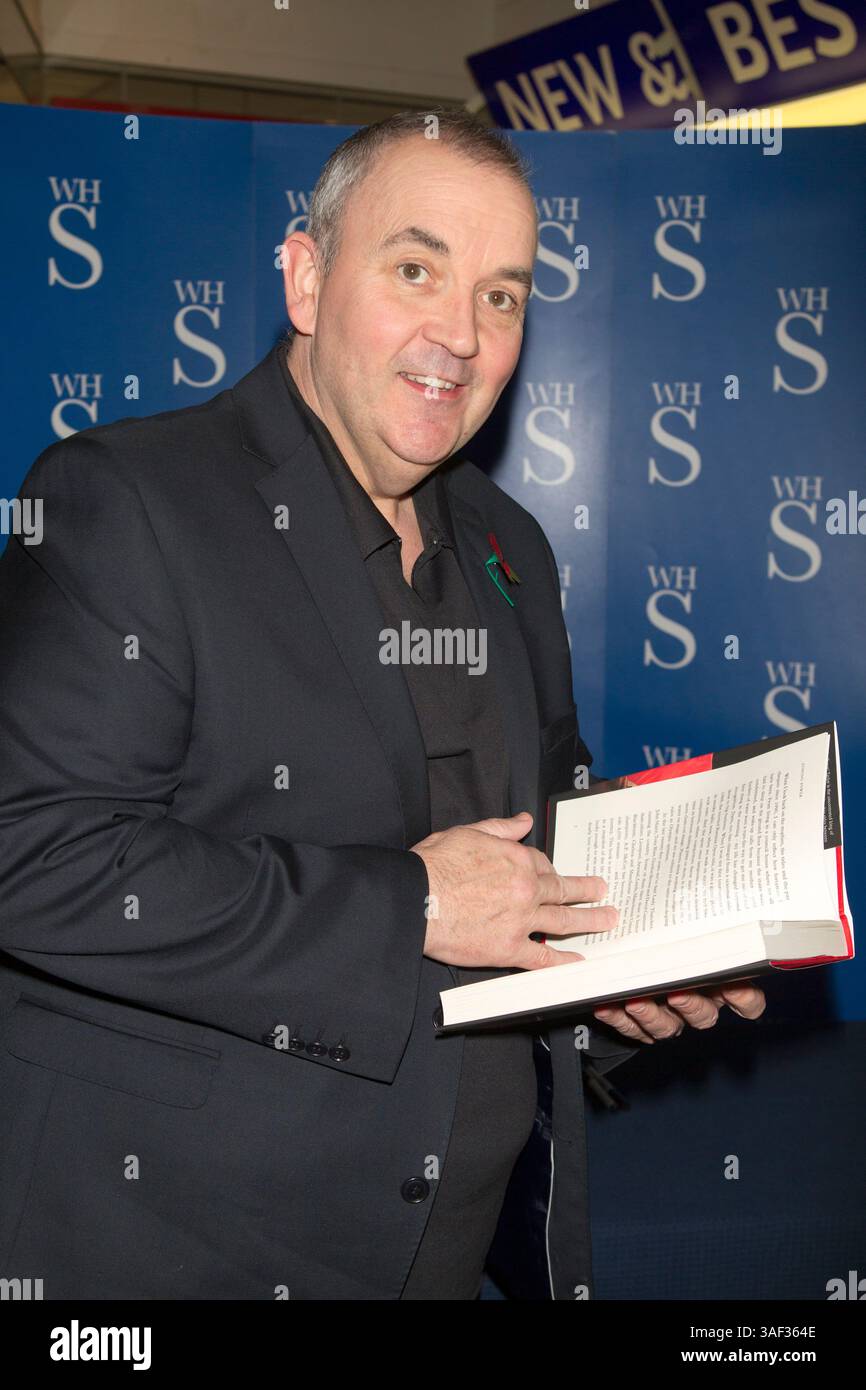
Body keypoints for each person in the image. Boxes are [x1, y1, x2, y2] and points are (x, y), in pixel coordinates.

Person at [0, 107, 765, 1301]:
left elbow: (535, 835)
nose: (459, 333)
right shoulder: (128, 500)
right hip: (176, 1252)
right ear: (306, 279)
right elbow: (34, 857)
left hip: (448, 1255)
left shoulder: (509, 545)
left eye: (501, 295)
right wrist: (412, 901)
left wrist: (620, 961)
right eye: (416, 269)